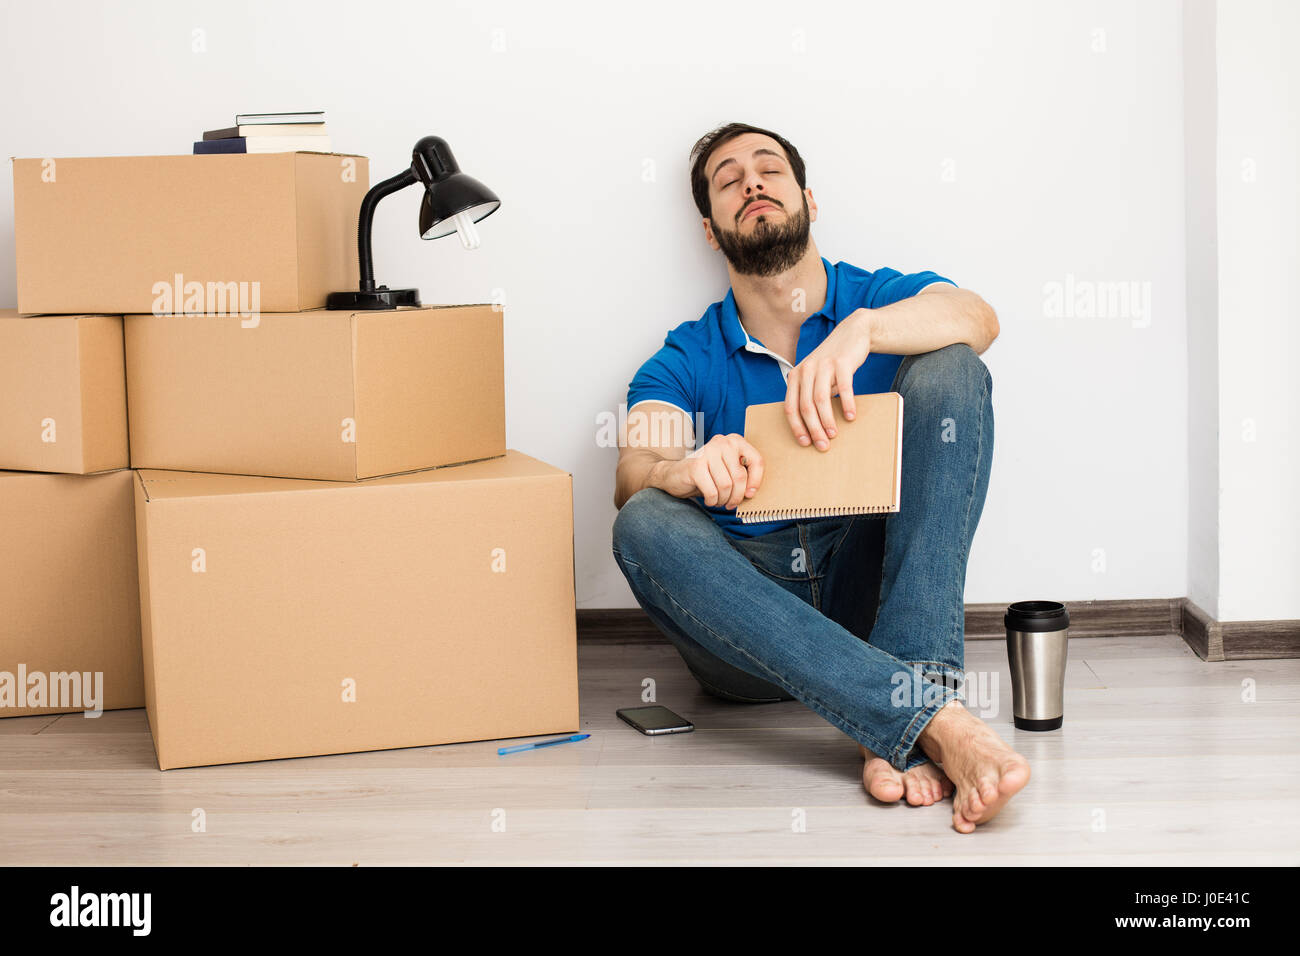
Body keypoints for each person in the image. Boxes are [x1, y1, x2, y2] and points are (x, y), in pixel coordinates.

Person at [610, 122, 1029, 833]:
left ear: (806, 198)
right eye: (728, 178)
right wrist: (678, 469)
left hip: (866, 593)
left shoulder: (877, 300)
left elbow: (978, 317)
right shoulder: (687, 353)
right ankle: (929, 716)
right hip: (746, 630)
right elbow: (630, 468)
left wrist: (863, 331)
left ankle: (900, 699)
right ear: (711, 231)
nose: (751, 183)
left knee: (954, 365)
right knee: (642, 519)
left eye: (768, 168)